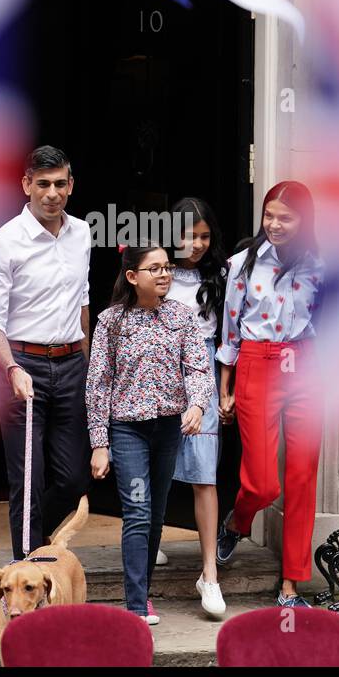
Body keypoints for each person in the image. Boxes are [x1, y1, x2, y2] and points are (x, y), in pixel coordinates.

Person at [85, 244, 214, 625]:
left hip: (168, 429)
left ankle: (143, 593)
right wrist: (99, 443)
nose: (164, 274)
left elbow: (197, 369)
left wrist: (197, 405)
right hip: (128, 431)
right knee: (138, 514)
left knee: (156, 516)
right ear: (131, 276)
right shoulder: (111, 321)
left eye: (167, 267)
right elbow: (98, 385)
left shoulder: (181, 316)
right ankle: (137, 606)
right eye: (154, 268)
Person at [0, 146, 92, 558]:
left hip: (70, 363)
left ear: (71, 185)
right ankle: (26, 574)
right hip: (21, 366)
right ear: (26, 185)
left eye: (60, 184)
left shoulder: (82, 233)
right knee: (27, 478)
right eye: (42, 184)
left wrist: (88, 362)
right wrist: (10, 369)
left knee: (74, 477)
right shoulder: (4, 243)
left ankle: (32, 549)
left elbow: (82, 300)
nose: (52, 193)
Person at [215, 181, 324, 609]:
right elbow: (229, 329)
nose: (274, 225)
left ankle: (291, 586)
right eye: (269, 216)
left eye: (285, 218)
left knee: (302, 478)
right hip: (256, 364)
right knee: (263, 482)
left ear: (304, 222)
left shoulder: (320, 267)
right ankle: (238, 521)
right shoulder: (242, 264)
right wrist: (225, 386)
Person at [163, 197, 228, 618]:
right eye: (189, 235)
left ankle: (209, 573)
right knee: (153, 463)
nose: (198, 243)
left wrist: (225, 388)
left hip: (202, 367)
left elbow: (230, 336)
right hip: (159, 367)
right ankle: (150, 541)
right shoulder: (157, 269)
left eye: (205, 236)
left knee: (205, 471)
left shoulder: (221, 274)